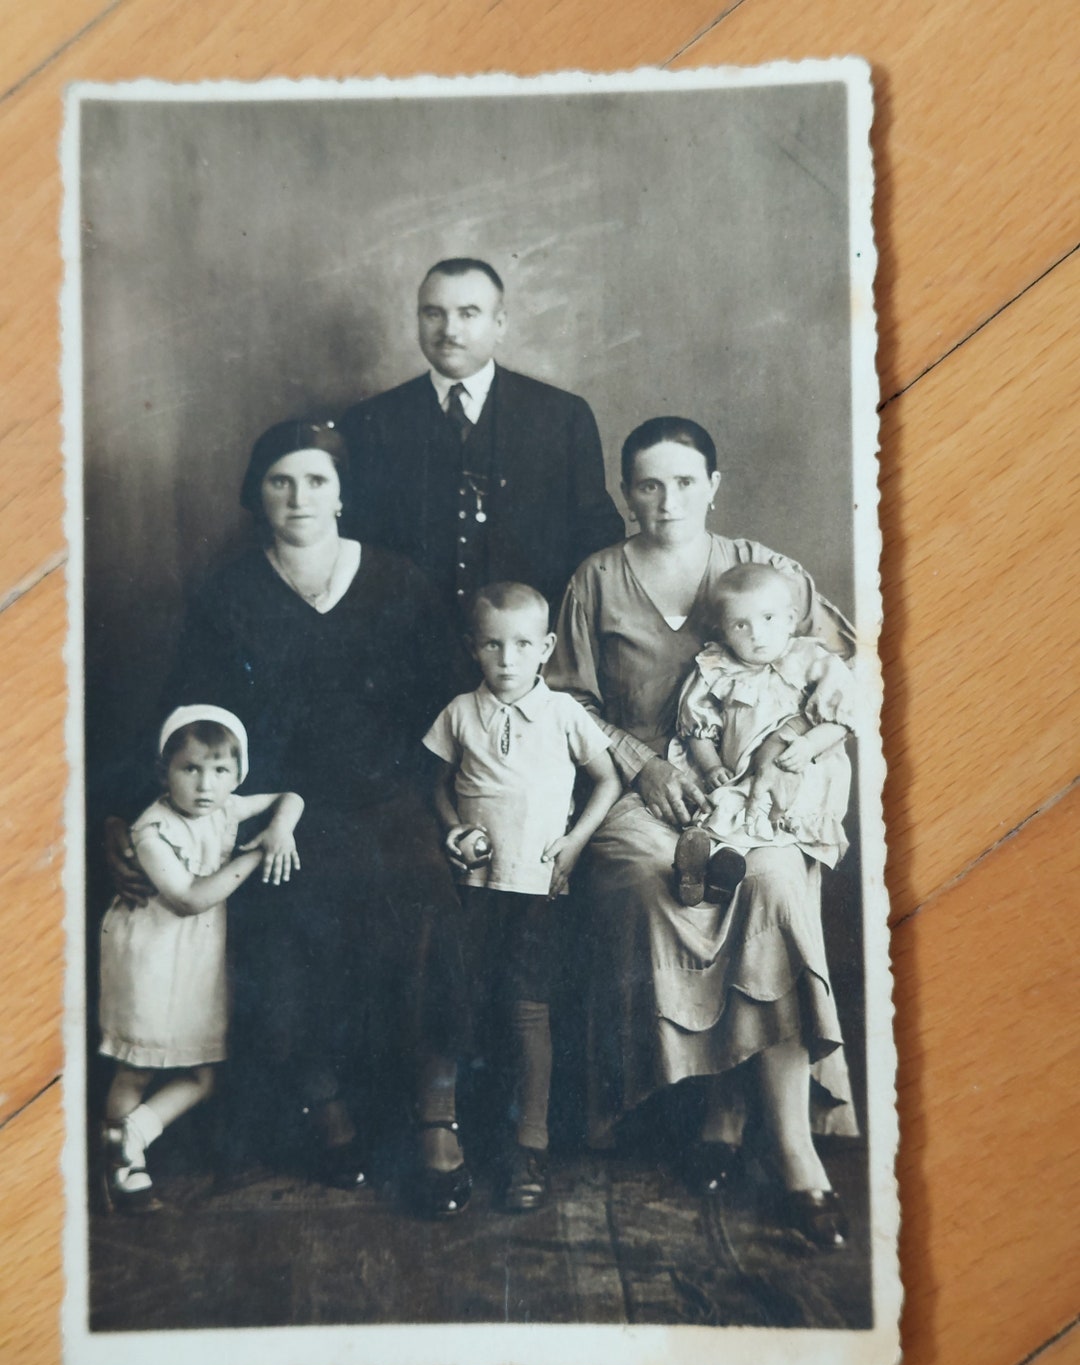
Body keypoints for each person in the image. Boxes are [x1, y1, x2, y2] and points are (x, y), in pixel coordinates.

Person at [108, 419, 473, 1215]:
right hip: (271, 808)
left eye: (315, 480)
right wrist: (131, 819)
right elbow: (187, 718)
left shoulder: (400, 582)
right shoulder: (231, 593)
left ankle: (434, 1114)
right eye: (280, 482)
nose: (299, 497)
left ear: (343, 493)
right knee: (288, 912)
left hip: (385, 797)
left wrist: (437, 807)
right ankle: (328, 1107)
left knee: (428, 902)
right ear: (257, 497)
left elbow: (447, 710)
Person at [547, 416, 858, 1249]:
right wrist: (637, 760)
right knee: (650, 880)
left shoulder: (769, 571)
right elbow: (565, 699)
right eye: (647, 484)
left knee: (774, 883)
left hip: (757, 793)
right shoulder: (597, 581)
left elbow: (836, 664)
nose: (666, 499)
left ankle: (786, 1144)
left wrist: (829, 672)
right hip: (640, 792)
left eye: (685, 481)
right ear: (626, 494)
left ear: (714, 485)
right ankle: (710, 1100)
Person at [422, 583, 621, 1211]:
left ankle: (528, 1146)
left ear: (546, 648)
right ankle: (447, 1126)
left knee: (528, 1010)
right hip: (474, 888)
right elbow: (438, 783)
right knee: (459, 998)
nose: (507, 658)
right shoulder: (459, 711)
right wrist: (454, 828)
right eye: (492, 645)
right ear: (472, 648)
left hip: (538, 889)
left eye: (522, 645)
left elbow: (608, 780)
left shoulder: (564, 713)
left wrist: (575, 844)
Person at [99, 705, 304, 1212]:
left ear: (237, 774)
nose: (205, 785)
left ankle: (127, 1138)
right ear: (164, 773)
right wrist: (255, 855)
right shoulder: (152, 830)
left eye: (221, 771)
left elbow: (291, 796)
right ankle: (121, 1167)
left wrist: (280, 829)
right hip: (146, 957)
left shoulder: (225, 807)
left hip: (192, 961)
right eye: (190, 769)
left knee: (202, 1074)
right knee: (137, 1065)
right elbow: (189, 898)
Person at [340, 258, 625, 609]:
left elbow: (596, 536)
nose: (449, 331)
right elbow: (353, 544)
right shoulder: (369, 422)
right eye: (433, 313)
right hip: (409, 643)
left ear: (500, 323)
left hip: (530, 646)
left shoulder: (562, 416)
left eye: (468, 313)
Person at [669, 562, 857, 907]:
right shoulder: (717, 666)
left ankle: (720, 867)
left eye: (768, 619)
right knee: (726, 805)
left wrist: (809, 744)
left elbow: (843, 716)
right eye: (741, 624)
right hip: (739, 773)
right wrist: (711, 767)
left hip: (798, 767)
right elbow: (696, 728)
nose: (756, 634)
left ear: (790, 618)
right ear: (724, 631)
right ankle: (710, 870)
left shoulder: (810, 659)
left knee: (775, 808)